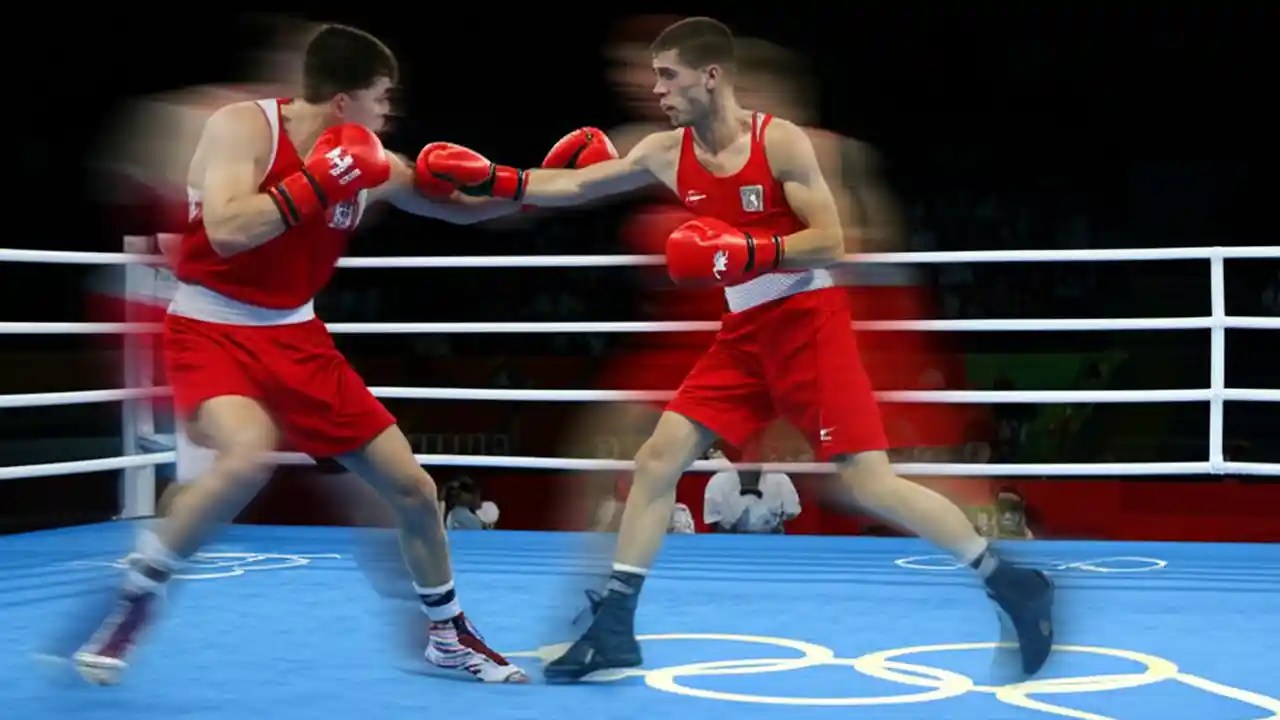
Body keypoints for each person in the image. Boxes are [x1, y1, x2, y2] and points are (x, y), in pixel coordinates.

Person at [419, 16, 1055, 682]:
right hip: (743, 335)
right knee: (656, 462)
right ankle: (614, 629)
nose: (657, 89)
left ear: (711, 77)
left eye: (669, 75)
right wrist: (497, 179)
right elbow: (579, 183)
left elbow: (832, 238)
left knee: (870, 482)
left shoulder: (778, 142)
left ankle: (1012, 583)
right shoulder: (666, 151)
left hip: (809, 326)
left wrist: (748, 249)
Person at [72, 23, 545, 685]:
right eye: (384, 97)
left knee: (412, 488)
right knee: (245, 453)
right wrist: (320, 182)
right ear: (347, 98)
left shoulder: (369, 157)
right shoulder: (243, 128)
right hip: (212, 328)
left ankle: (447, 632)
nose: (391, 111)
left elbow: (458, 208)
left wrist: (522, 185)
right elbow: (229, 230)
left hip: (298, 337)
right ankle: (133, 603)